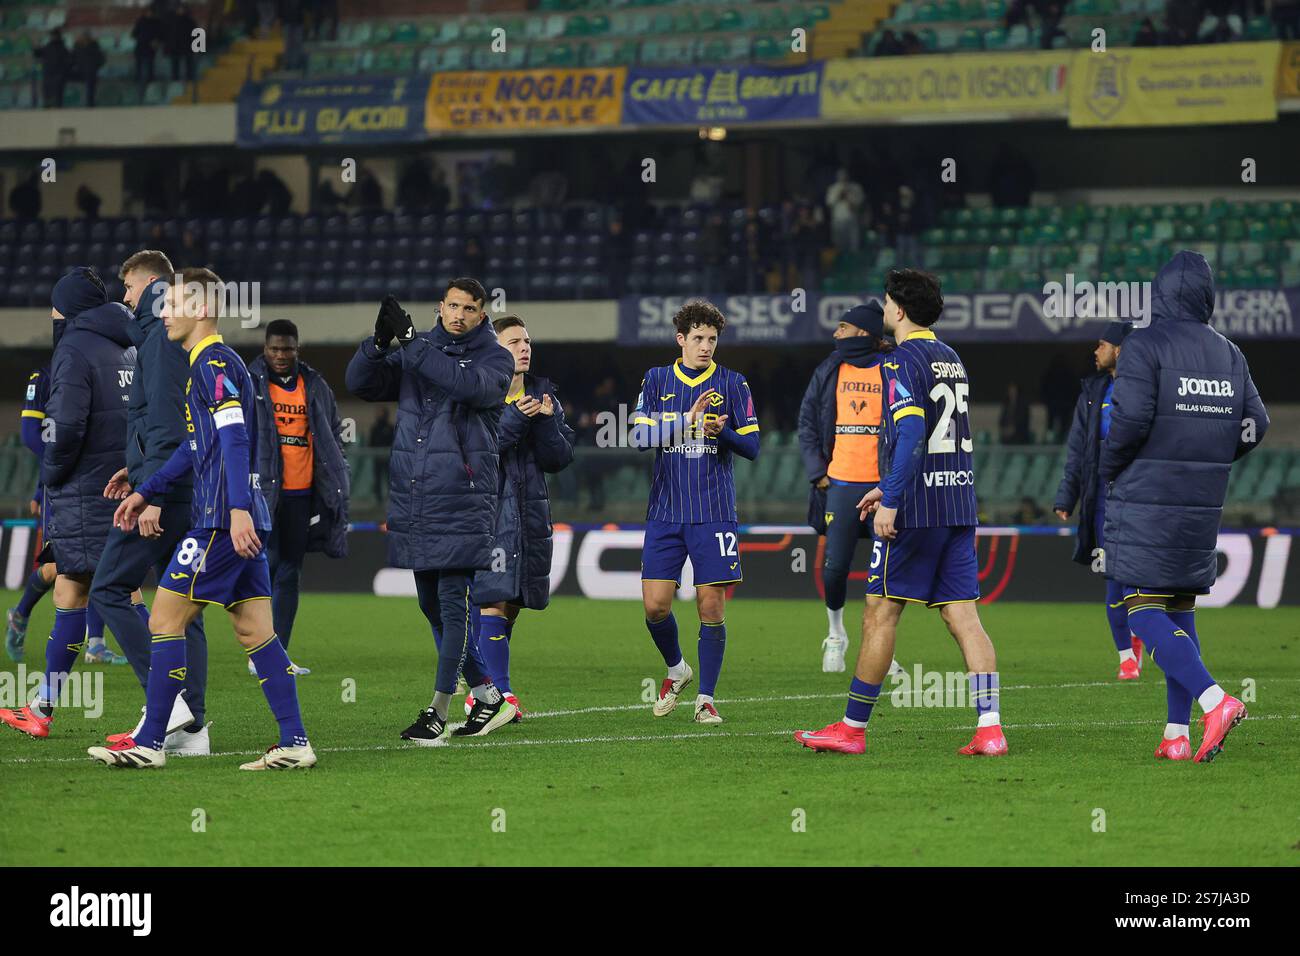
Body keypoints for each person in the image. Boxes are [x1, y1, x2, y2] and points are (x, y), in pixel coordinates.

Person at [90, 267, 315, 771]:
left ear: (200, 308)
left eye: (171, 303)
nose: (162, 312)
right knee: (257, 631)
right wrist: (145, 490)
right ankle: (295, 741)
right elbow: (197, 446)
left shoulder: (213, 363)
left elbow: (234, 438)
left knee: (164, 618)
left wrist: (234, 510)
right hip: (240, 519)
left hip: (219, 521)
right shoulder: (210, 364)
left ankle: (149, 743)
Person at [795, 269, 1007, 757]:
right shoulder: (951, 358)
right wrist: (882, 484)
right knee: (964, 616)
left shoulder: (900, 362)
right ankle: (990, 728)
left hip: (916, 510)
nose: (885, 309)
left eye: (888, 302)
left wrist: (891, 499)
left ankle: (851, 728)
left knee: (879, 613)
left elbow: (911, 432)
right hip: (957, 503)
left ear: (899, 310)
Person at [1100, 251, 1269, 763]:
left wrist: (1109, 465)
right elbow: (1254, 424)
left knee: (1142, 609)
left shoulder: (1144, 345)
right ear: (1206, 297)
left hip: (1149, 496)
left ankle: (1215, 701)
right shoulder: (1230, 354)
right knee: (1179, 609)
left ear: (1160, 294)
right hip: (1201, 501)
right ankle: (1177, 734)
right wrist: (1211, 455)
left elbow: (1129, 421)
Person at [345, 278, 517, 743]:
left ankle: (438, 710)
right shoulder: (416, 351)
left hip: (463, 498)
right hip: (416, 495)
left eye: (471, 308)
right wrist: (377, 344)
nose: (460, 314)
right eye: (454, 305)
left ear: (483, 315)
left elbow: (466, 386)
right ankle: (488, 695)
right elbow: (359, 383)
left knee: (451, 604)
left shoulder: (495, 358)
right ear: (441, 307)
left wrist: (412, 344)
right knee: (429, 604)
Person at [0, 269, 135, 740]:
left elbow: (65, 430)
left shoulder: (74, 351)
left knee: (116, 595)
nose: (53, 315)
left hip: (86, 494)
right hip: (123, 488)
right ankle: (42, 706)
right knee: (75, 591)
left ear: (70, 307)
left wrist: (52, 479)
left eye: (57, 306)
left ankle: (171, 706)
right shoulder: (128, 346)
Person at [89, 250, 212, 755]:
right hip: (180, 485)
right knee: (183, 607)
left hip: (166, 494)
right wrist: (135, 469)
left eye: (131, 289)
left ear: (153, 285)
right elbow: (164, 423)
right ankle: (195, 727)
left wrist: (152, 492)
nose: (126, 298)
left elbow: (166, 420)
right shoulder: (166, 337)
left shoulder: (161, 339)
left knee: (109, 589)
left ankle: (169, 701)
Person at [631, 300, 761, 725]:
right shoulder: (655, 379)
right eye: (699, 339)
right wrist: (686, 422)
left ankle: (705, 698)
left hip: (713, 511)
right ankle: (677, 669)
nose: (706, 346)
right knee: (655, 607)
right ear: (681, 340)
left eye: (713, 339)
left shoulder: (734, 383)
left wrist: (723, 432)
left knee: (711, 606)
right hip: (666, 510)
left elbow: (754, 447)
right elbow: (637, 436)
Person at [468, 315, 575, 719]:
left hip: (530, 514)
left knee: (511, 603)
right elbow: (479, 453)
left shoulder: (544, 397)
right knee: (492, 598)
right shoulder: (478, 396)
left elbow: (560, 458)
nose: (525, 347)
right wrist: (517, 418)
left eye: (527, 341)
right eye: (514, 342)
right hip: (488, 513)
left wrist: (546, 422)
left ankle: (481, 682)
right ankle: (499, 695)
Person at [797, 301, 901, 675]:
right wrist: (818, 474)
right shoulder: (829, 369)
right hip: (839, 485)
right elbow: (807, 421)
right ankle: (835, 635)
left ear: (862, 333)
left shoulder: (893, 368)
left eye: (842, 328)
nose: (835, 334)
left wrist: (895, 481)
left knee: (885, 574)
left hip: (884, 489)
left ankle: (881, 649)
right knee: (835, 568)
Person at [248, 319, 350, 670]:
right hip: (262, 492)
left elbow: (333, 434)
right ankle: (259, 651)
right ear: (265, 348)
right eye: (274, 348)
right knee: (267, 567)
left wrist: (336, 479)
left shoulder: (314, 385)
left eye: (287, 348)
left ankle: (278, 655)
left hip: (300, 494)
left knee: (290, 572)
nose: (280, 355)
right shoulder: (250, 383)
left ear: (297, 349)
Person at [1053, 322, 1143, 680]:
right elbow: (1078, 449)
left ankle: (1138, 636)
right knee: (1112, 575)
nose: (1095, 350)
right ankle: (1126, 657)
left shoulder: (1143, 388)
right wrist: (1067, 496)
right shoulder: (1093, 392)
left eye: (1101, 344)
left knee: (1138, 579)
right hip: (1103, 498)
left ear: (1119, 349)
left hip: (1139, 496)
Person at [34, 28, 70, 109]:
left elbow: (68, 61)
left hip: (57, 73)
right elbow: (37, 54)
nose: (53, 37)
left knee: (57, 93)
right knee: (47, 91)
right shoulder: (48, 46)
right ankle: (48, 105)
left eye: (54, 35)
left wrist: (63, 71)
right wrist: (36, 46)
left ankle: (57, 107)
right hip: (48, 72)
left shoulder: (62, 48)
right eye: (52, 35)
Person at [71, 33, 106, 107]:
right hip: (88, 70)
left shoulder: (78, 46)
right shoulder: (93, 46)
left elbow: (72, 58)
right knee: (90, 88)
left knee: (89, 88)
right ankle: (89, 103)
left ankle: (89, 103)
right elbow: (101, 58)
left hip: (85, 70)